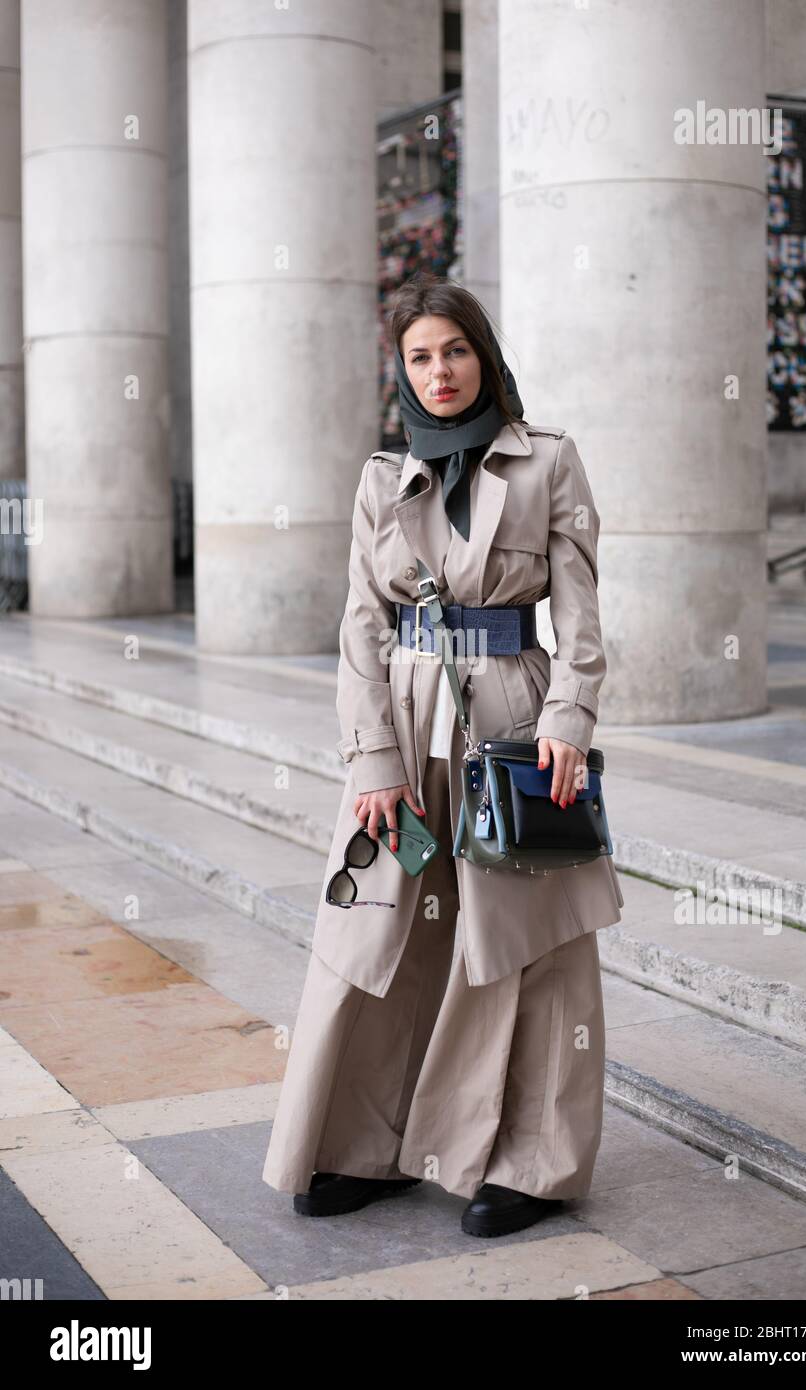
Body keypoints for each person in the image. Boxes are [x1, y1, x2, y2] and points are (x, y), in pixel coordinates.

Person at [261, 271, 625, 1238]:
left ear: (484, 355)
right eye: (420, 357)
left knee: (531, 944)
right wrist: (370, 758)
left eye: (454, 350)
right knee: (382, 930)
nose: (439, 371)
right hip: (408, 715)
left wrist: (568, 721)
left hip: (513, 720)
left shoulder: (548, 461)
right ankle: (365, 1146)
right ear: (405, 370)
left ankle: (534, 1164)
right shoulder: (383, 480)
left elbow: (582, 618)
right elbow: (359, 627)